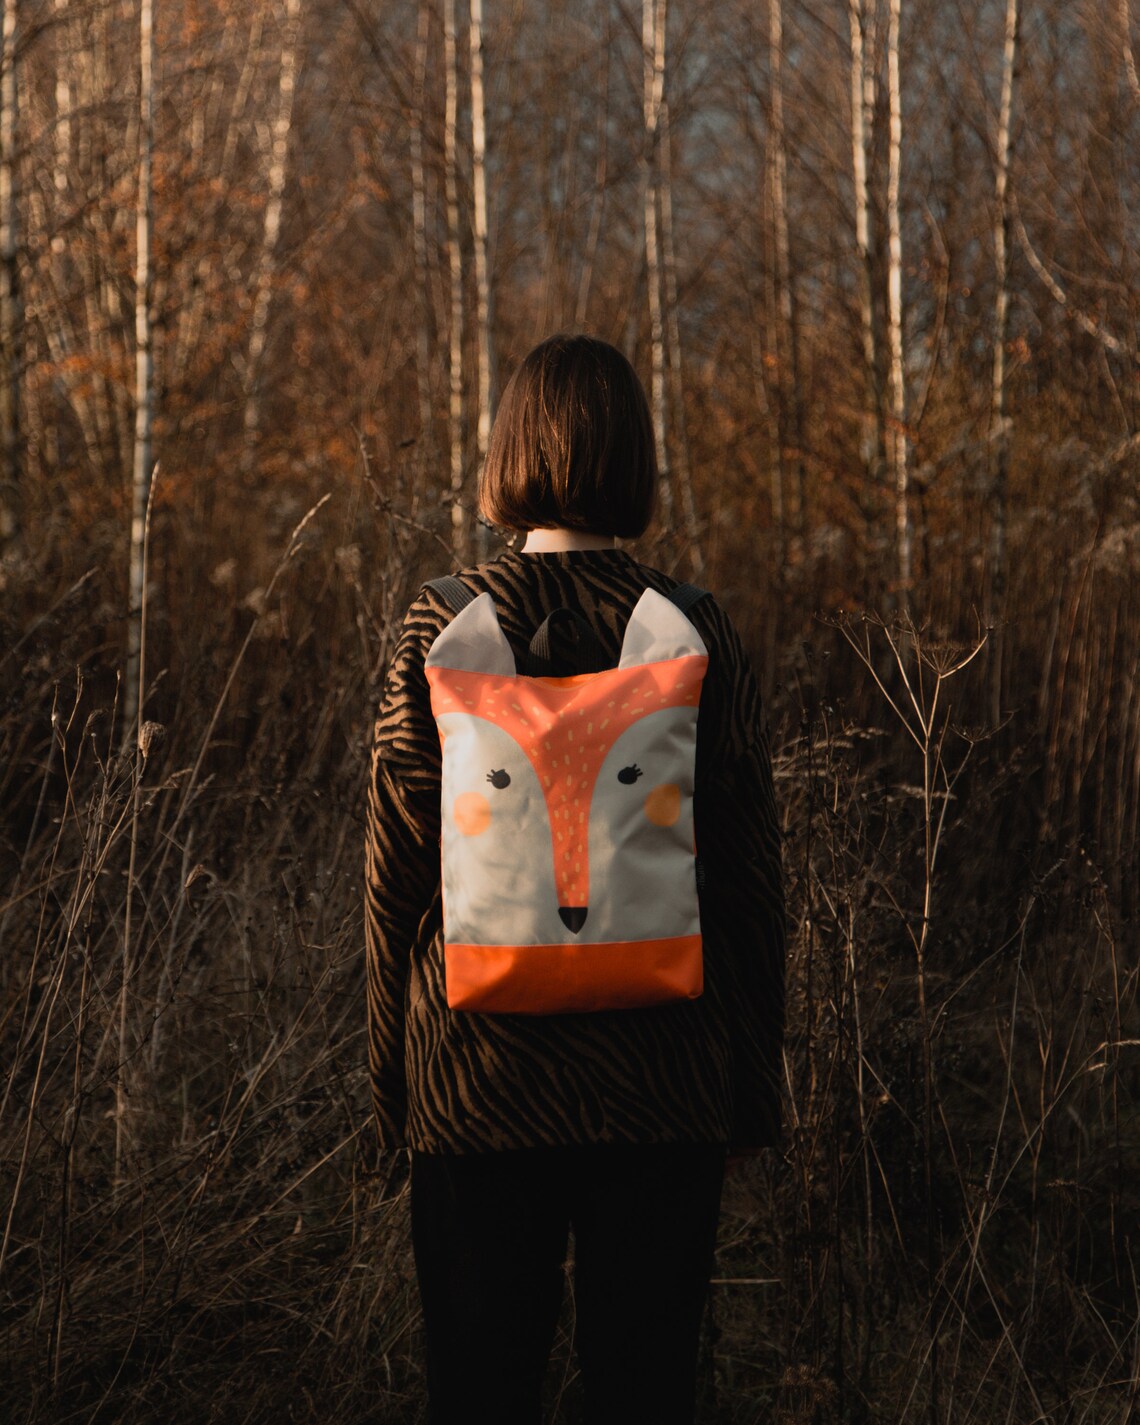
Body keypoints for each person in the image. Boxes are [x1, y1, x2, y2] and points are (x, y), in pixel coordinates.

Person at [365, 333, 784, 1424]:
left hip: (474, 1079)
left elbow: (395, 871)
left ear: (511, 453)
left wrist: (389, 1085)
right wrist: (750, 1087)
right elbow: (744, 875)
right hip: (664, 1078)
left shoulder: (445, 620)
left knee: (479, 1392)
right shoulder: (692, 626)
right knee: (646, 1391)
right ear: (635, 461)